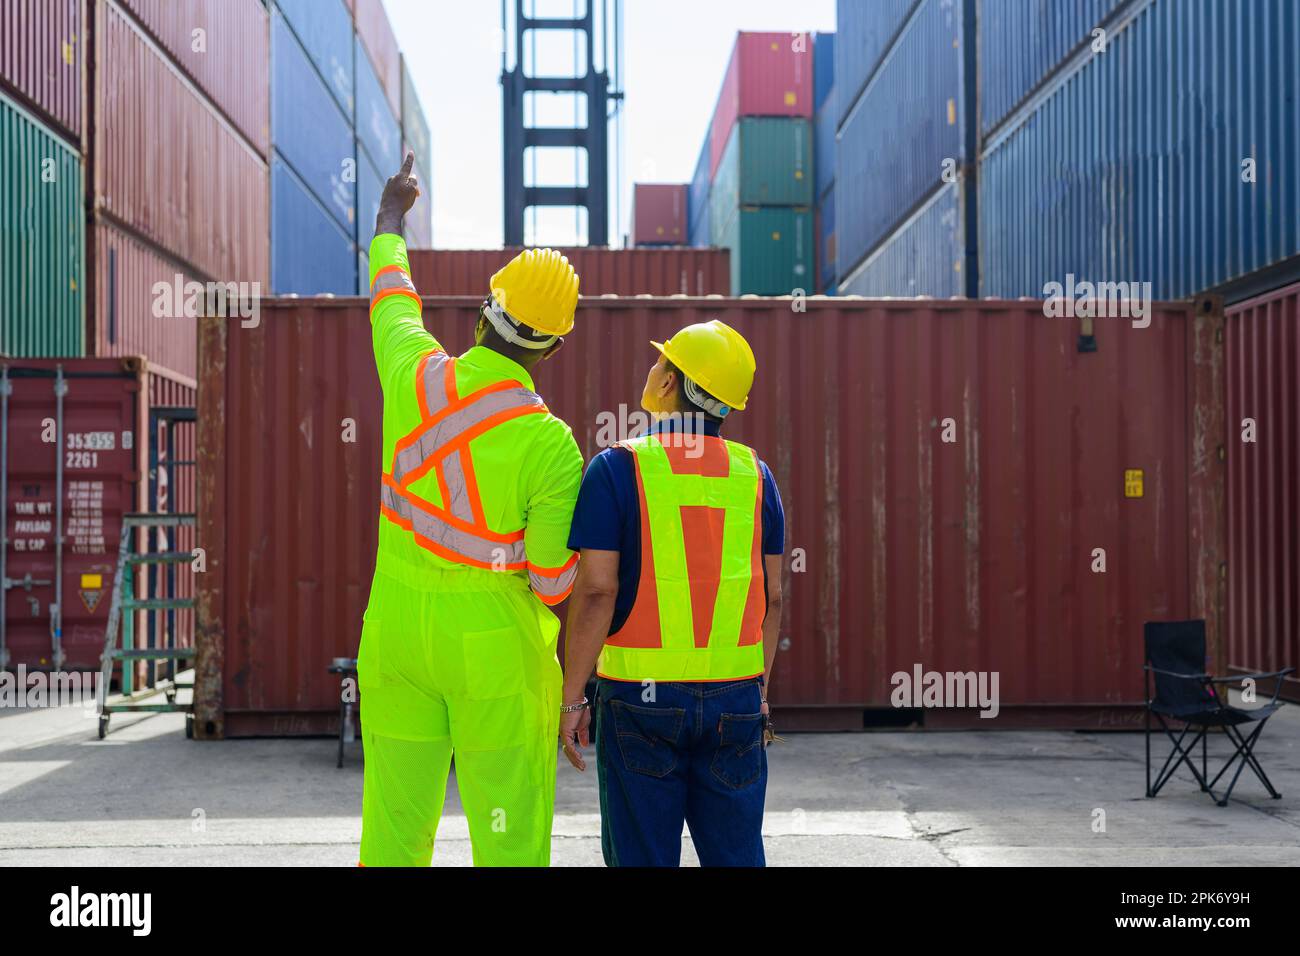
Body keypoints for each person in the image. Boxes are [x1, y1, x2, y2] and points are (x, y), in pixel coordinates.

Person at [358, 153, 584, 866]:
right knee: (508, 834)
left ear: (486, 310)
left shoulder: (412, 373)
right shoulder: (553, 447)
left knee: (394, 830)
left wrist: (392, 217)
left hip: (395, 634)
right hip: (493, 652)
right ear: (551, 345)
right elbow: (552, 583)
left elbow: (393, 298)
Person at [558, 319, 785, 867]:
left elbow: (595, 591)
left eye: (661, 363)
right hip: (735, 697)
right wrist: (757, 691)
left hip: (641, 699)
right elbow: (773, 597)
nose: (652, 369)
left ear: (669, 384)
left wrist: (570, 699)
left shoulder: (617, 467)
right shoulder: (756, 475)